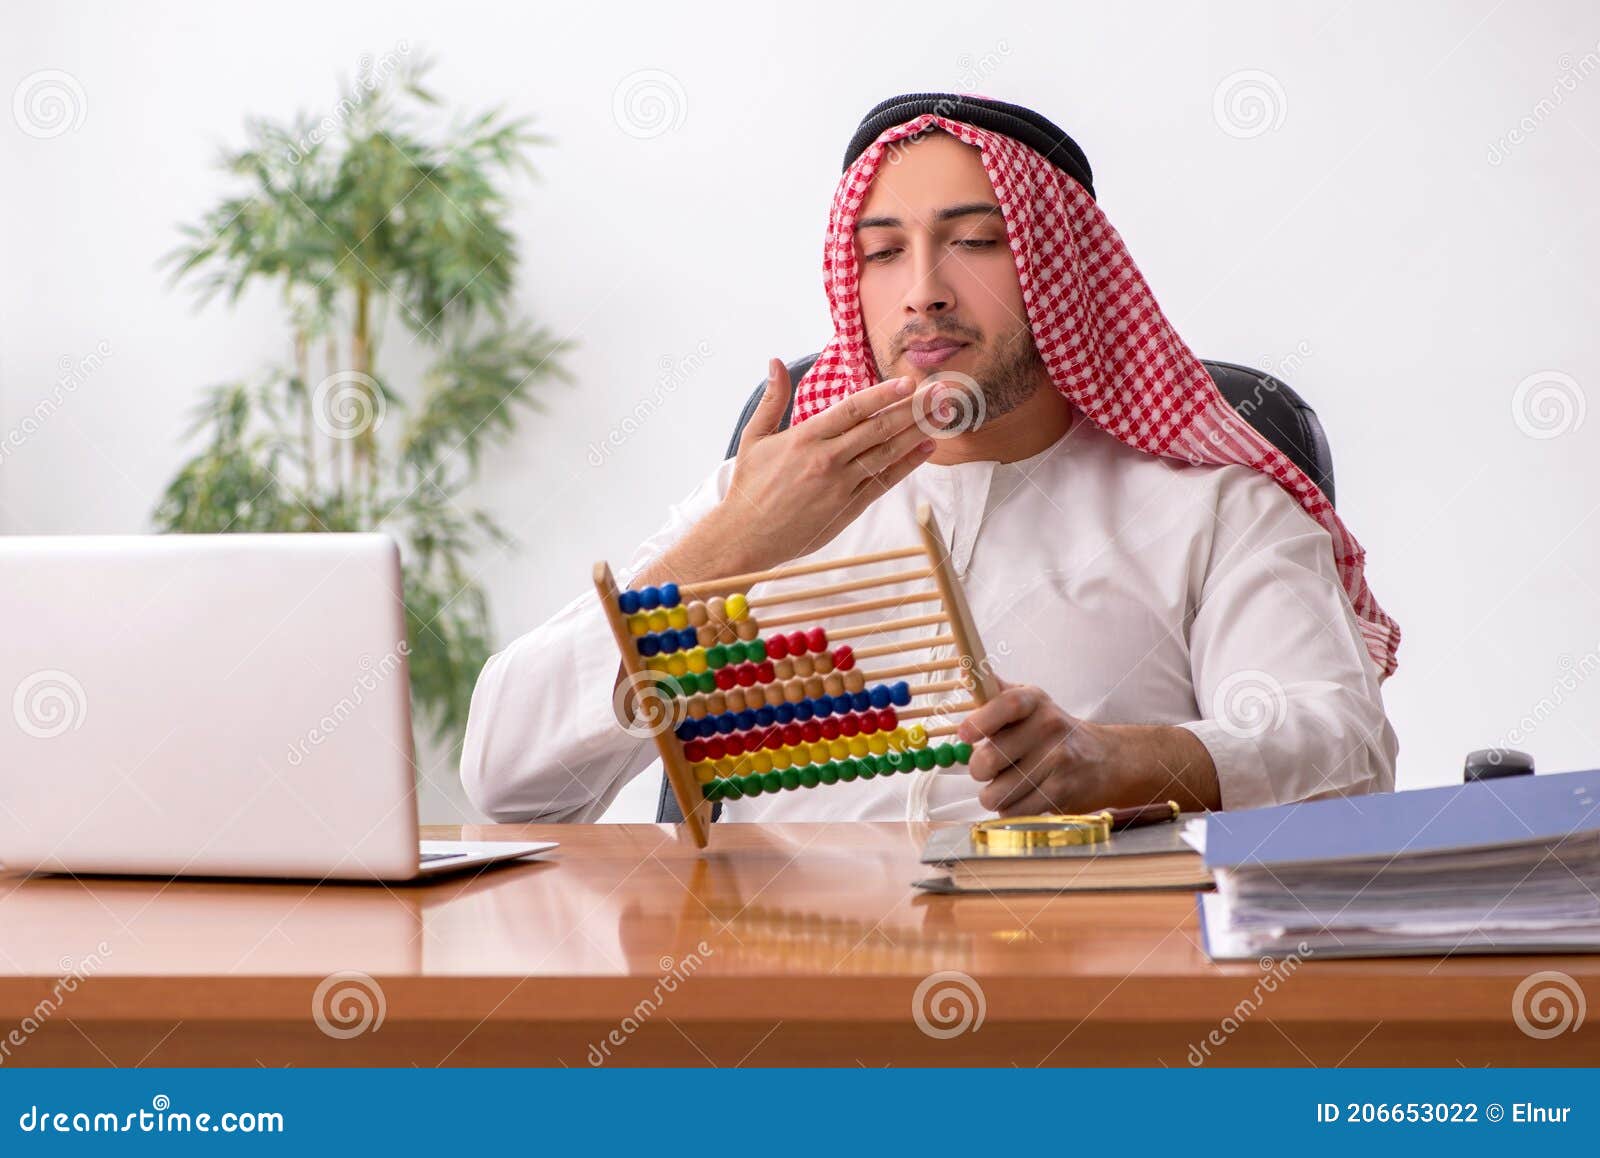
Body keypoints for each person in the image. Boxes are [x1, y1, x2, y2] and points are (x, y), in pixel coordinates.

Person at [460, 93, 1400, 825]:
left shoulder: (1214, 510)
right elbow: (506, 778)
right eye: (881, 253)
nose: (923, 293)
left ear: (1058, 271)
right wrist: (725, 548)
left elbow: (1345, 751)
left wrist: (1126, 763)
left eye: (976, 243)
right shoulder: (756, 503)